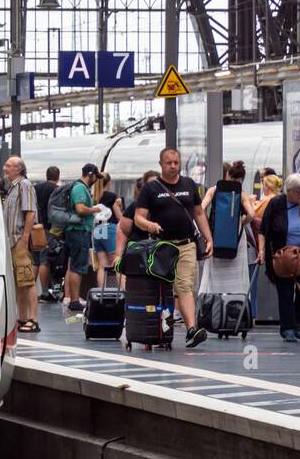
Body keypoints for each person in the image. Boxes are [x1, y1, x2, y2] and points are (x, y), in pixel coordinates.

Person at [132, 147, 212, 348]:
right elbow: (138, 217)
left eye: (176, 162)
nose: (173, 166)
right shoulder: (151, 189)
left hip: (186, 245)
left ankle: (191, 329)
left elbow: (199, 213)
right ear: (161, 164)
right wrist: (149, 225)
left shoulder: (189, 184)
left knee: (185, 286)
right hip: (161, 247)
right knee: (161, 289)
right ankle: (158, 329)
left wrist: (208, 237)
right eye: (169, 163)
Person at [257, 173, 300, 341]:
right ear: (288, 191)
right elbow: (263, 230)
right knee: (285, 291)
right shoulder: (276, 204)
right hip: (281, 256)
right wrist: (261, 251)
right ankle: (288, 328)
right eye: (298, 192)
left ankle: (297, 323)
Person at [198, 161, 253, 296]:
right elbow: (252, 214)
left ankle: (213, 303)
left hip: (216, 236)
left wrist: (206, 228)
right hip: (236, 239)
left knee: (214, 273)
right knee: (237, 277)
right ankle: (234, 303)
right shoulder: (242, 194)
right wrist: (242, 223)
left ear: (227, 175)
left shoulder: (214, 190)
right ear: (241, 179)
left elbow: (201, 209)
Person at [2, 156, 39, 333]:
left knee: (28, 279)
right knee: (19, 281)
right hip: (12, 241)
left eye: (8, 166)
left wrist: (24, 239)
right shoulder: (12, 188)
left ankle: (33, 319)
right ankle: (22, 318)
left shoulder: (25, 185)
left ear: (19, 169)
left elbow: (30, 213)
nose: (5, 168)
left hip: (18, 240)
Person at [64, 164, 104, 313]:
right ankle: (74, 300)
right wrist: (95, 209)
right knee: (77, 266)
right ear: (90, 174)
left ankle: (74, 298)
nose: (95, 180)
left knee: (76, 265)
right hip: (78, 231)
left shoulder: (81, 187)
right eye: (95, 177)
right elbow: (80, 209)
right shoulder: (80, 188)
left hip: (79, 231)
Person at [249, 173, 282, 317]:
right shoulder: (279, 200)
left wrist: (250, 201)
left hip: (262, 243)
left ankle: (253, 313)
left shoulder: (268, 200)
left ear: (267, 186)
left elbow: (252, 213)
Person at [92, 171, 124, 287]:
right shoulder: (111, 197)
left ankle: (102, 293)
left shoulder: (94, 197)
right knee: (116, 262)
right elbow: (119, 217)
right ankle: (122, 293)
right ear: (109, 183)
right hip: (110, 229)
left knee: (102, 265)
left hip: (97, 230)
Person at [35, 166, 61, 302]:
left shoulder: (36, 188)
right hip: (48, 228)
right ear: (58, 177)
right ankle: (45, 293)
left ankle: (30, 291)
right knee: (44, 260)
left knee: (36, 260)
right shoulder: (56, 190)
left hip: (35, 228)